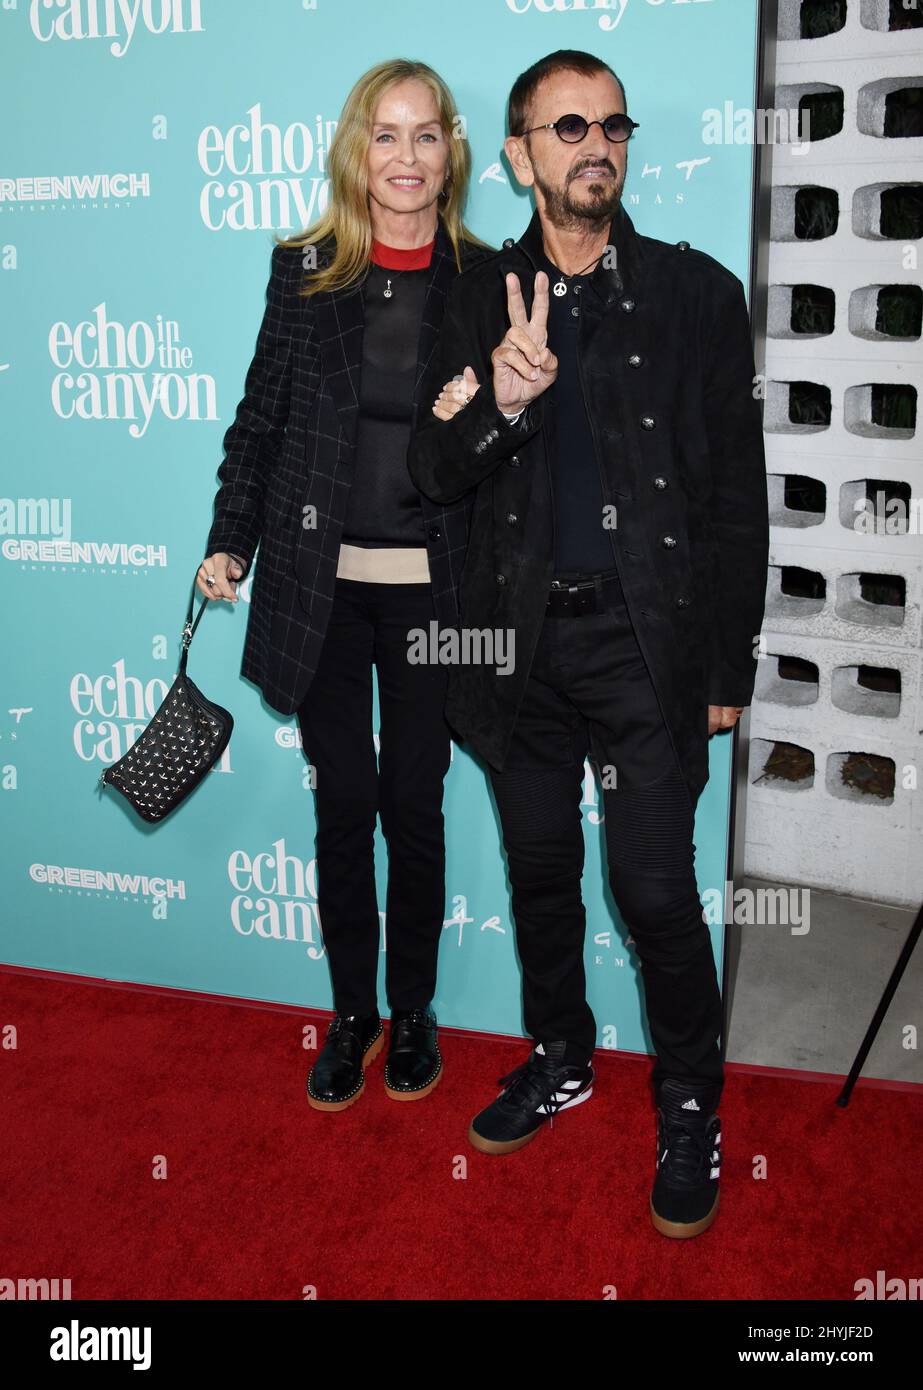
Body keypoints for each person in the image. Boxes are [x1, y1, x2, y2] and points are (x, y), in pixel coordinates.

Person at [409, 48, 769, 1238]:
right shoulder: (466, 299)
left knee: (656, 891)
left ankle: (687, 1103)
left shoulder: (694, 295)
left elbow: (732, 497)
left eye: (611, 125)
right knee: (541, 876)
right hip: (507, 648)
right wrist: (504, 404)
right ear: (516, 156)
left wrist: (724, 666)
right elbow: (427, 471)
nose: (594, 146)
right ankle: (561, 1054)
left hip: (646, 645)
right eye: (566, 128)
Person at [199, 59, 494, 1113]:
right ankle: (353, 1013)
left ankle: (413, 1011)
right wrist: (228, 538)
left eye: (425, 136)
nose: (405, 158)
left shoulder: (484, 275)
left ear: (449, 152)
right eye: (385, 135)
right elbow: (262, 418)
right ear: (354, 149)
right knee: (345, 808)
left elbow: (505, 445)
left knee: (414, 802)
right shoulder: (305, 268)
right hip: (319, 590)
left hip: (432, 593)